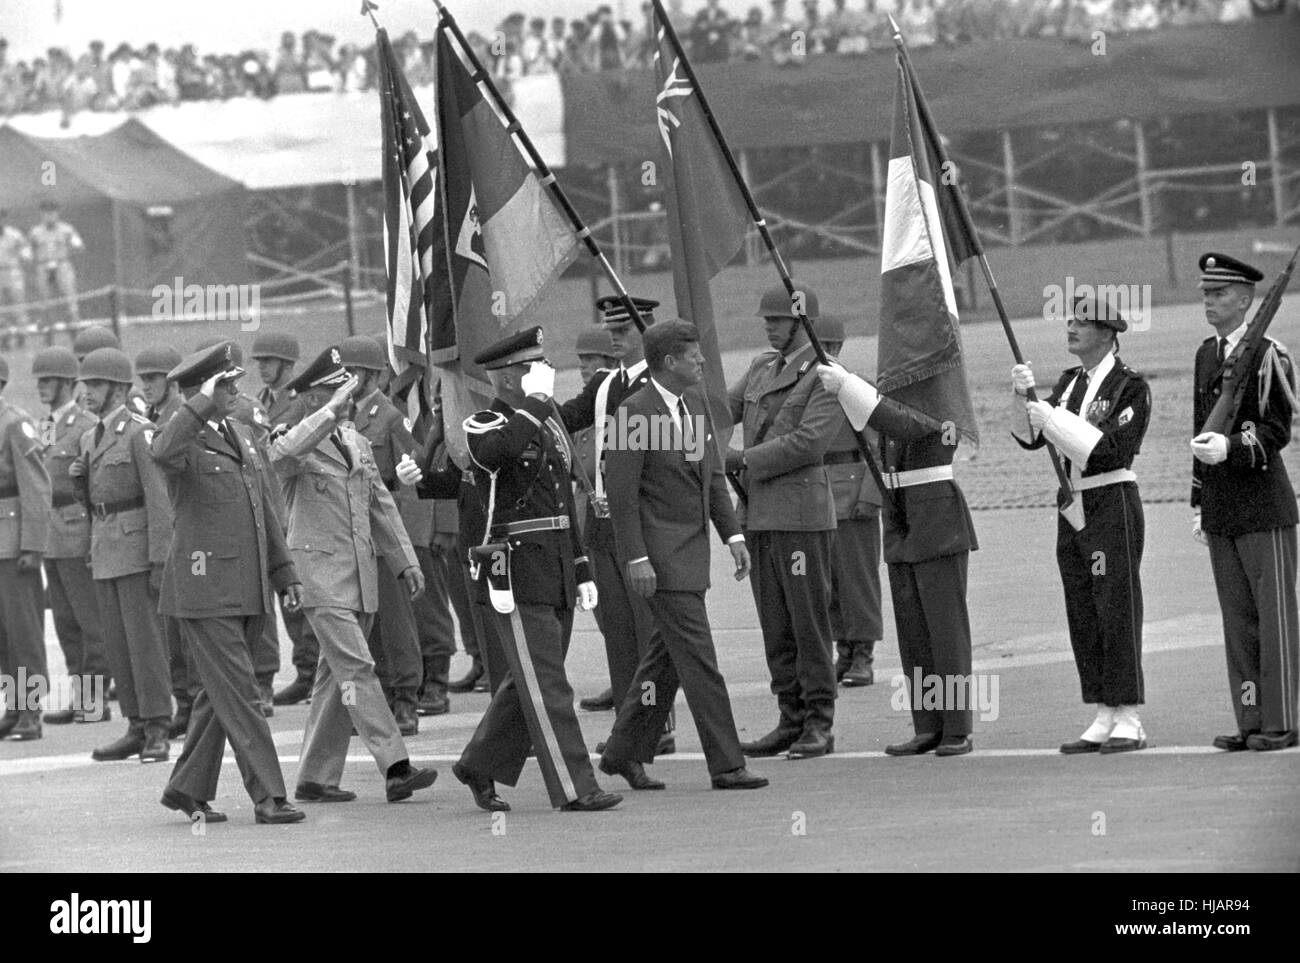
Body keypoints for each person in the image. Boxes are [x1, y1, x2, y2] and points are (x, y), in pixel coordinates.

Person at [402, 327, 621, 813]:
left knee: (531, 680)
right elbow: (497, 456)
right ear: (504, 378)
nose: (539, 375)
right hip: (515, 570)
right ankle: (575, 787)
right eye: (528, 368)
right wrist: (538, 404)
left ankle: (479, 764)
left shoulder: (544, 423)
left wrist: (582, 567)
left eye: (539, 367)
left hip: (558, 564)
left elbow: (563, 500)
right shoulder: (483, 425)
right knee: (548, 686)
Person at [598, 320, 768, 791]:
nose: (702, 361)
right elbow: (623, 493)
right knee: (700, 662)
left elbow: (710, 477)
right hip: (659, 559)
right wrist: (634, 557)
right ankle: (728, 765)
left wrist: (732, 537)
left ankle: (623, 752)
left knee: (665, 662)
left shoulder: (691, 404)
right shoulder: (634, 413)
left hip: (690, 554)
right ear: (669, 361)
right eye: (694, 355)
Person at [269, 347, 437, 803]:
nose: (347, 400)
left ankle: (315, 777)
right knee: (358, 668)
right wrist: (326, 412)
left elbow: (380, 506)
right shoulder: (293, 439)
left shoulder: (357, 443)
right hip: (318, 577)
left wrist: (406, 561)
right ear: (311, 398)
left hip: (359, 576)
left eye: (347, 391)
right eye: (333, 391)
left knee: (334, 680)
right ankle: (396, 766)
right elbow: (281, 456)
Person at [152, 343, 306, 825]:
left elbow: (266, 511)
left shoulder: (242, 433)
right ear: (203, 389)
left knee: (219, 695)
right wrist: (198, 404)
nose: (235, 390)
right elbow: (161, 452)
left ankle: (186, 788)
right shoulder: (180, 436)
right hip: (205, 589)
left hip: (249, 584)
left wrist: (284, 574)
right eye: (225, 384)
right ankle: (269, 797)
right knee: (241, 691)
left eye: (234, 382)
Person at [817, 356, 977, 757]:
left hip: (936, 516)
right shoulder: (899, 402)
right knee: (915, 632)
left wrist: (850, 386)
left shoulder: (944, 405)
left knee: (945, 630)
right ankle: (928, 724)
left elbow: (906, 425)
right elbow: (881, 422)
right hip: (901, 515)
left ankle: (956, 727)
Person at [1012, 294, 1151, 753]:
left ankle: (1128, 712)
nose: (1071, 328)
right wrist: (1022, 398)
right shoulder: (1071, 383)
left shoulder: (1130, 386)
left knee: (1116, 607)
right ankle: (1103, 710)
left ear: (1108, 334)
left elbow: (1108, 450)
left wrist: (1049, 418)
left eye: (1083, 322)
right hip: (1073, 507)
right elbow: (1031, 438)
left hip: (1110, 501)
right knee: (1084, 609)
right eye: (1070, 320)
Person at [727, 282, 844, 759]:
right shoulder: (760, 367)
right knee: (775, 624)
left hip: (800, 517)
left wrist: (740, 460)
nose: (769, 327)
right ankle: (789, 718)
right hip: (760, 516)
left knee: (808, 624)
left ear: (803, 325)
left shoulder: (826, 376)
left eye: (777, 320)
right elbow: (720, 408)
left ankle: (819, 721)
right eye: (767, 321)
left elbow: (808, 443)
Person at [1191, 252, 1299, 752]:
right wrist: (1198, 500)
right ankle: (1251, 719)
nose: (1208, 301)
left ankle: (1283, 721)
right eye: (1207, 293)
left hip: (1262, 506)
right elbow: (1202, 428)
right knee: (1238, 624)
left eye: (1218, 293)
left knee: (1274, 618)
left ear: (1246, 299)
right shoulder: (1205, 354)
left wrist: (1232, 448)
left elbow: (1276, 431)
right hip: (1222, 509)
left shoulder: (1270, 354)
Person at [558, 296, 673, 752]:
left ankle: (656, 727)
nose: (615, 336)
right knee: (619, 632)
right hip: (606, 523)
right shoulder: (608, 384)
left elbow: (663, 461)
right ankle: (630, 727)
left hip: (643, 520)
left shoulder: (663, 385)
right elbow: (567, 416)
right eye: (612, 328)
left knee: (647, 630)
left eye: (625, 328)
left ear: (646, 331)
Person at [72, 347, 175, 763]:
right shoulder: (88, 436)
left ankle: (157, 727)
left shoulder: (139, 432)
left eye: (95, 385)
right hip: (106, 549)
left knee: (145, 643)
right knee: (117, 644)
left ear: (117, 388)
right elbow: (94, 502)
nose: (87, 393)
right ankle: (135, 723)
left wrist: (159, 559)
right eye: (85, 385)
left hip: (136, 550)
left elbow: (158, 499)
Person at [338, 334, 425, 735]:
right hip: (350, 528)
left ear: (371, 374)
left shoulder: (389, 418)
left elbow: (414, 471)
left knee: (396, 620)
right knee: (365, 619)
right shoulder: (339, 416)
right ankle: (380, 699)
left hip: (383, 523)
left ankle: (407, 698)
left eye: (352, 371)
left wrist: (405, 537)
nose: (346, 378)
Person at [32, 347, 109, 726]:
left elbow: (95, 481)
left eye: (48, 380)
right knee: (64, 622)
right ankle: (81, 696)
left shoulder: (86, 425)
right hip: (50, 534)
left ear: (66, 382)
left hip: (78, 530)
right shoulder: (45, 424)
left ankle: (95, 700)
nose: (42, 386)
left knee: (90, 622)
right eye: (39, 380)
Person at [814, 316, 882, 687]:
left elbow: (879, 446)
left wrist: (871, 496)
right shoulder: (804, 389)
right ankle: (844, 650)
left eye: (825, 345)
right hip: (817, 492)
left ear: (838, 349)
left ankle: (863, 656)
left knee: (858, 582)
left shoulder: (855, 388)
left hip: (852, 491)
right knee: (830, 583)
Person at [0, 357, 52, 741]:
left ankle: (31, 712)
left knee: (24, 633)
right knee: (2, 635)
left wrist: (32, 545)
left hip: (13, 541)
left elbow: (36, 485)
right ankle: (14, 705)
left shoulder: (15, 423)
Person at [572, 326, 619, 711]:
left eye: (593, 360)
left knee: (620, 607)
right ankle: (622, 678)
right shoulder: (586, 414)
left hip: (608, 512)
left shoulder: (611, 409)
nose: (586, 367)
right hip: (587, 514)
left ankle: (637, 682)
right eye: (583, 361)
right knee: (602, 605)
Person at [29, 200, 84, 334]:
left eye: (52, 213)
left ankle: (74, 327)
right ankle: (48, 331)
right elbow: (30, 250)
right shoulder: (35, 232)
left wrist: (74, 248)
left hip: (62, 264)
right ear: (42, 215)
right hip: (43, 266)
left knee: (70, 295)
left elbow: (79, 246)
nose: (50, 216)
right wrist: (32, 258)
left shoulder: (67, 229)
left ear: (57, 213)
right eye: (46, 213)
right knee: (44, 298)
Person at [0, 209, 32, 351]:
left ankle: (22, 336)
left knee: (19, 306)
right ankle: (4, 337)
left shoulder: (14, 234)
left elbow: (25, 249)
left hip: (13, 272)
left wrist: (25, 255)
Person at [136, 345, 184, 426]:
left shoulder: (184, 418)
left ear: (171, 380)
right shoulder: (145, 417)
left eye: (151, 379)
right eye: (143, 379)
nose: (145, 387)